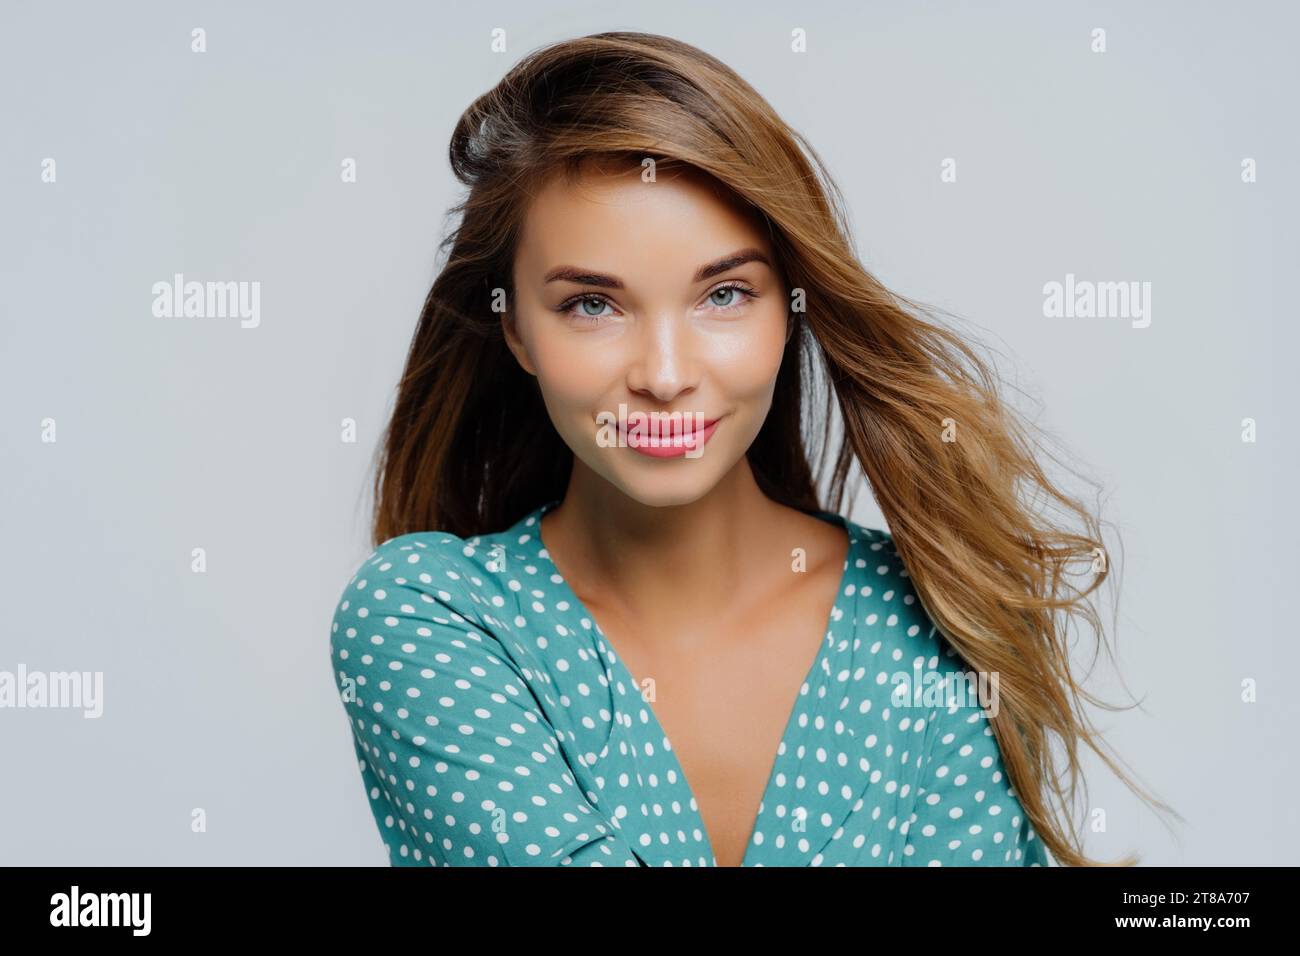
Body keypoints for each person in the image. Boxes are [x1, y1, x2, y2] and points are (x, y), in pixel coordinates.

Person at [328, 31, 1174, 866]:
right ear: (514, 328)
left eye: (724, 294)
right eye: (592, 304)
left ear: (793, 307)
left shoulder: (941, 619)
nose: (663, 375)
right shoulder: (431, 619)